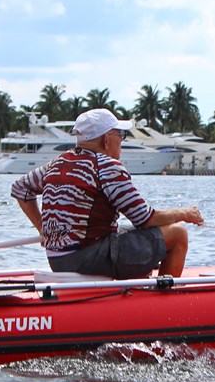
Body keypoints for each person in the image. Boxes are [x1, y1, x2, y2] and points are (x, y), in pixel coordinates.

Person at [11, 107, 203, 277]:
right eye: (120, 135)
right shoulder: (107, 167)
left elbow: (21, 188)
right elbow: (145, 218)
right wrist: (185, 214)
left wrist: (42, 228)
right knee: (178, 233)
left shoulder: (57, 163)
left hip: (57, 260)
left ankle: (133, 288)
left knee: (132, 233)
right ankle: (163, 301)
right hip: (87, 259)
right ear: (106, 139)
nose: (121, 140)